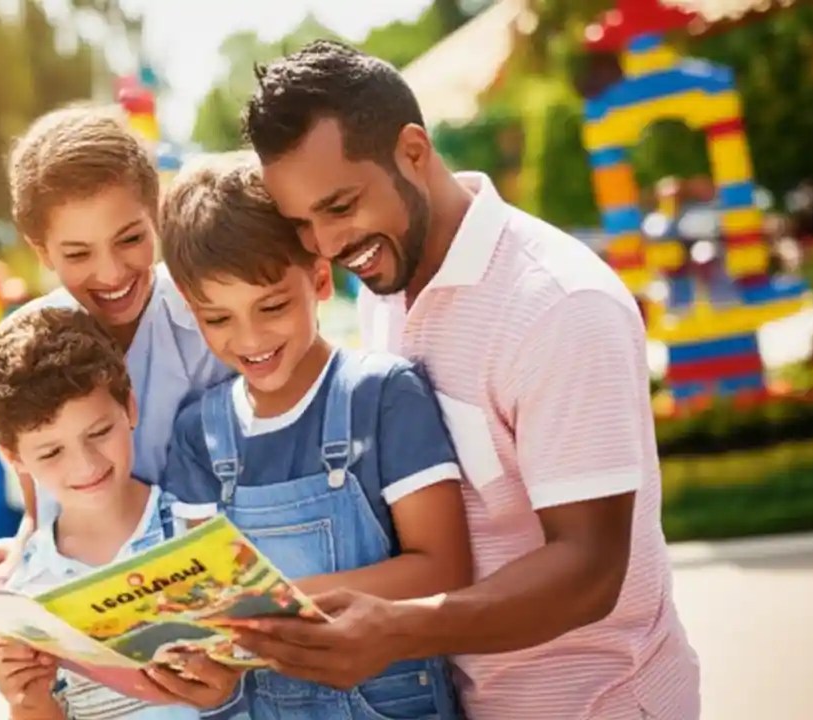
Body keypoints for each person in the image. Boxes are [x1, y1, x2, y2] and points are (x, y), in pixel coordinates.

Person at [222, 40, 701, 720]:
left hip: (599, 704)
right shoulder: (383, 285)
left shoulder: (558, 305)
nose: (327, 245)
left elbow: (591, 569)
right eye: (303, 223)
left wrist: (399, 626)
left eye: (340, 205)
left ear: (413, 151)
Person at [158, 154, 472, 720]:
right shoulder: (198, 434)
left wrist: (280, 605)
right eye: (218, 318)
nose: (249, 338)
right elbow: (201, 608)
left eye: (271, 305)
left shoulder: (381, 395)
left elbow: (445, 569)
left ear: (321, 279)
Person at [0, 105, 231, 638]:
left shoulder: (215, 320)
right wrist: (9, 572)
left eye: (130, 239)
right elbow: (41, 515)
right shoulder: (24, 349)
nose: (112, 272)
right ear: (40, 250)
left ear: (157, 213)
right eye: (77, 253)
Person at [0, 306, 243, 719]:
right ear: (14, 457)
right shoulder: (25, 587)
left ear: (129, 408)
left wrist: (226, 689)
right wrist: (27, 699)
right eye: (51, 451)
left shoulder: (199, 529)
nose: (85, 465)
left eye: (99, 432)